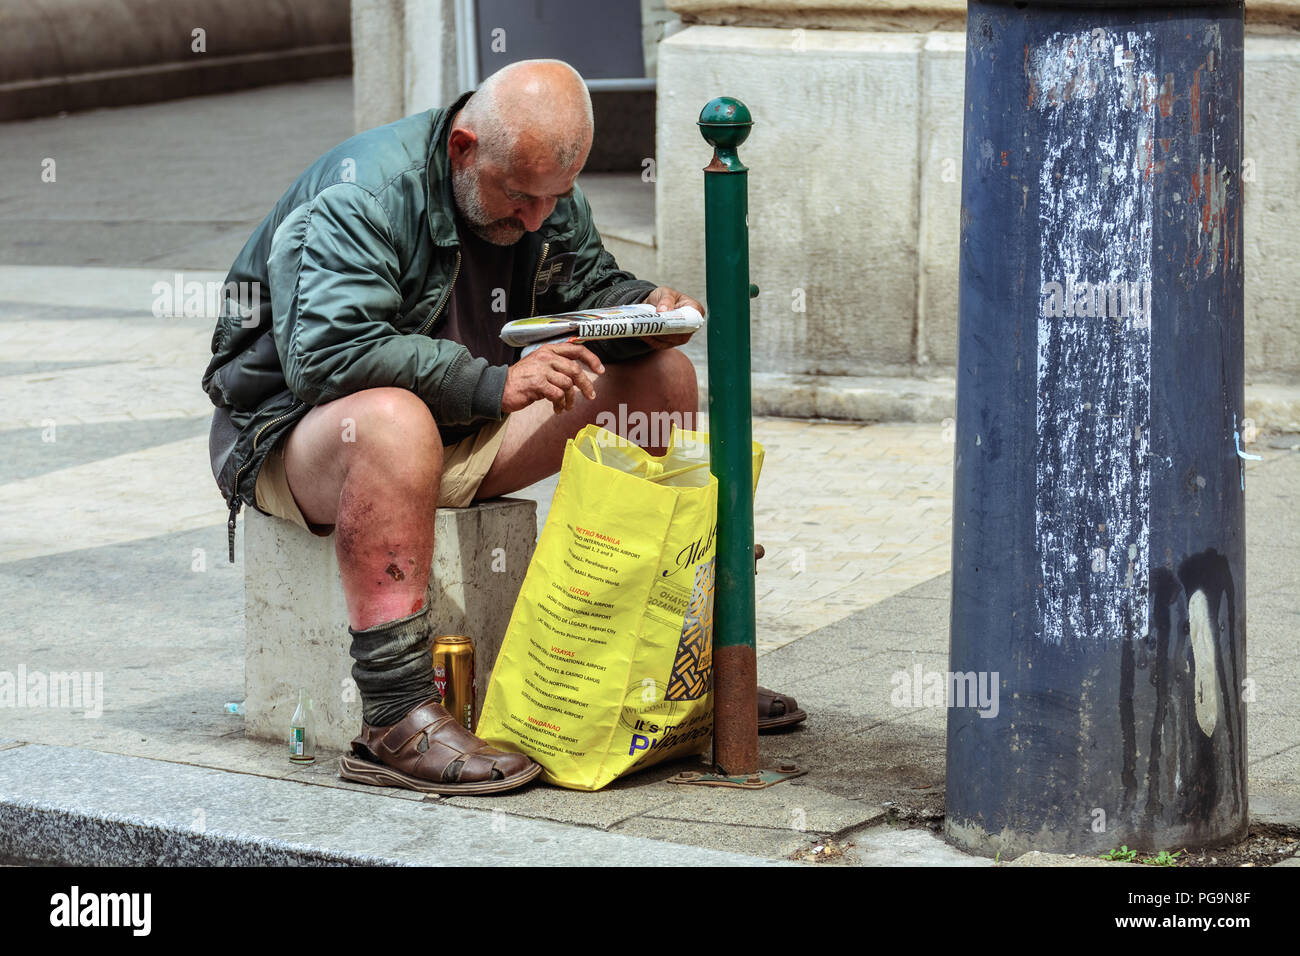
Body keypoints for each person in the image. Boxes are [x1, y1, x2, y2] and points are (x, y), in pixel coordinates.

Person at [203, 59, 805, 796]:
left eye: (557, 198)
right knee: (394, 423)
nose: (536, 219)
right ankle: (393, 718)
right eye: (520, 197)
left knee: (660, 381)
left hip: (459, 422)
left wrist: (644, 310)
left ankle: (657, 669)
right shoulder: (363, 194)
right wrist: (494, 384)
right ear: (463, 149)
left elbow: (586, 286)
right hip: (300, 437)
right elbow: (328, 357)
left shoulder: (538, 193)